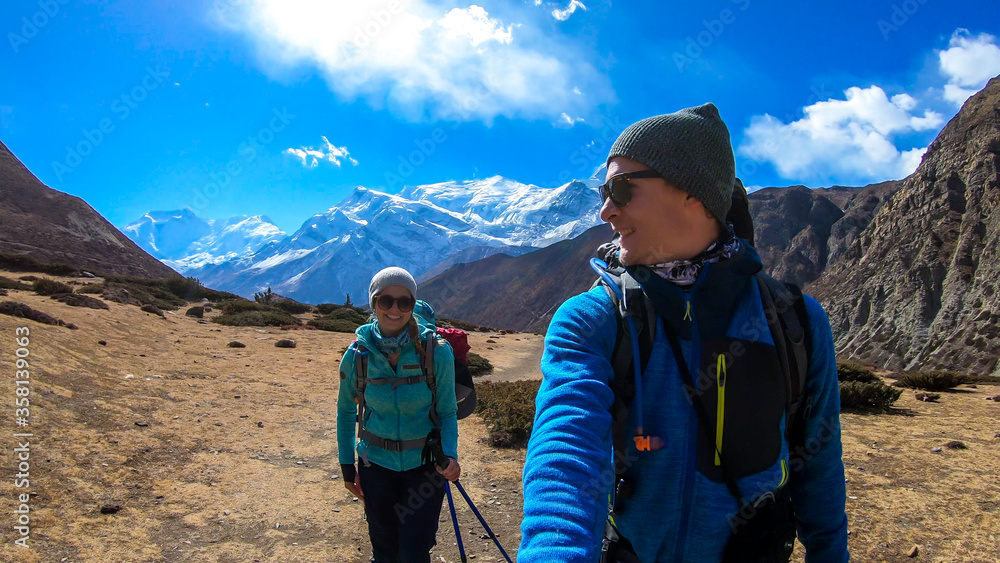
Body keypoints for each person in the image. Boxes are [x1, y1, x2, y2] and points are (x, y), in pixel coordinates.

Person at [519, 104, 848, 562]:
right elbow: (565, 454)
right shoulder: (594, 318)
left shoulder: (797, 323)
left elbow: (820, 465)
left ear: (694, 192)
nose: (605, 211)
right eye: (603, 192)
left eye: (620, 189)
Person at [338, 267, 461, 563]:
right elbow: (345, 411)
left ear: (412, 305)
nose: (395, 309)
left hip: (426, 467)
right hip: (375, 466)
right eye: (386, 301)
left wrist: (451, 455)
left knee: (414, 551)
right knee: (383, 547)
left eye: (404, 302)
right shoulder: (357, 355)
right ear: (373, 303)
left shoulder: (436, 352)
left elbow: (447, 410)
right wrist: (346, 466)